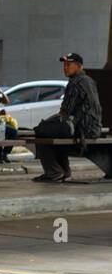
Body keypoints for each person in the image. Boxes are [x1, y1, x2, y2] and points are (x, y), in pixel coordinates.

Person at [35, 52, 104, 183]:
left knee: (41, 132)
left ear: (78, 66)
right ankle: (65, 173)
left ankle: (54, 173)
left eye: (68, 65)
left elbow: (65, 112)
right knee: (55, 131)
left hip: (81, 129)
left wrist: (49, 123)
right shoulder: (89, 80)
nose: (65, 68)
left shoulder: (75, 82)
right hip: (93, 127)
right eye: (64, 65)